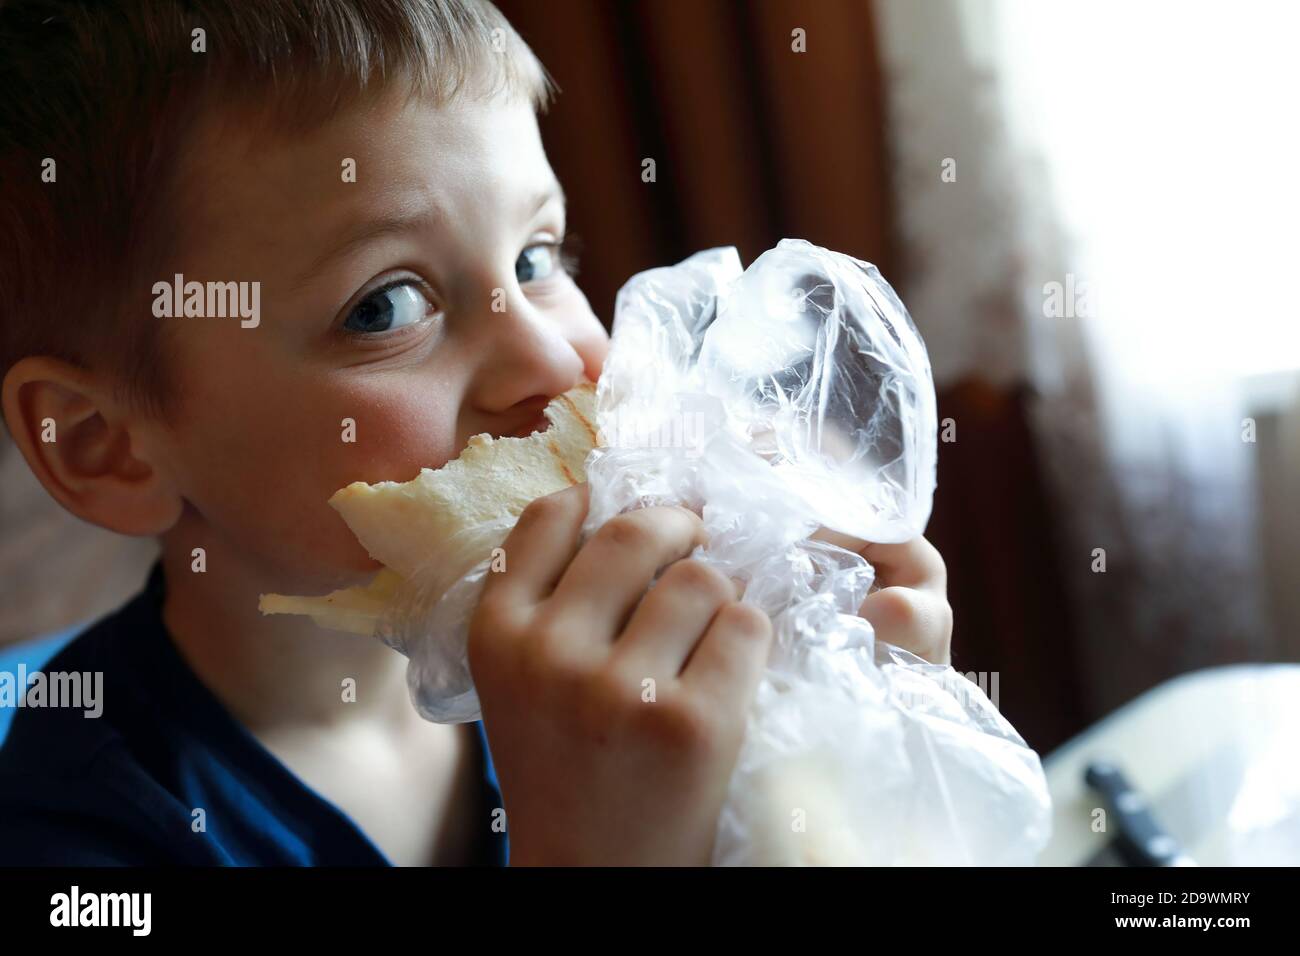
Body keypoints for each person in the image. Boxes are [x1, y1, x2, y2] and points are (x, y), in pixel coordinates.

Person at [0, 0, 952, 865]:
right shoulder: (75, 836)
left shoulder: (642, 628)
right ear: (106, 445)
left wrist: (861, 737)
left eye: (538, 256)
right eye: (385, 307)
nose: (549, 361)